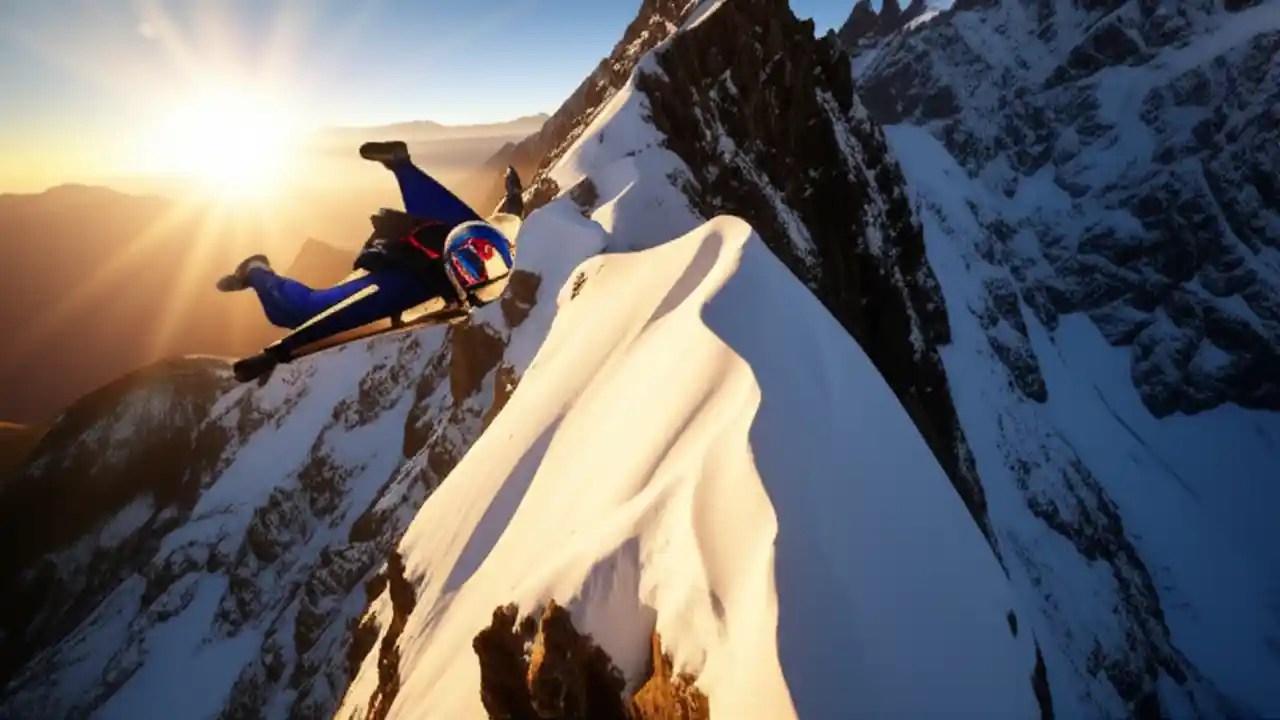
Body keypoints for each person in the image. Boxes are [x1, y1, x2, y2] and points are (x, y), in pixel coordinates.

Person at [220, 141, 524, 381]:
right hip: (395, 263)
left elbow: (508, 220)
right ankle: (256, 270)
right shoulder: (406, 291)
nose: (469, 272)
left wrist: (514, 194)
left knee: (457, 219)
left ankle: (400, 163)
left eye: (474, 271)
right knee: (298, 312)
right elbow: (340, 320)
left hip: (432, 236)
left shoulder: (480, 240)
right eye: (465, 267)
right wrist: (276, 354)